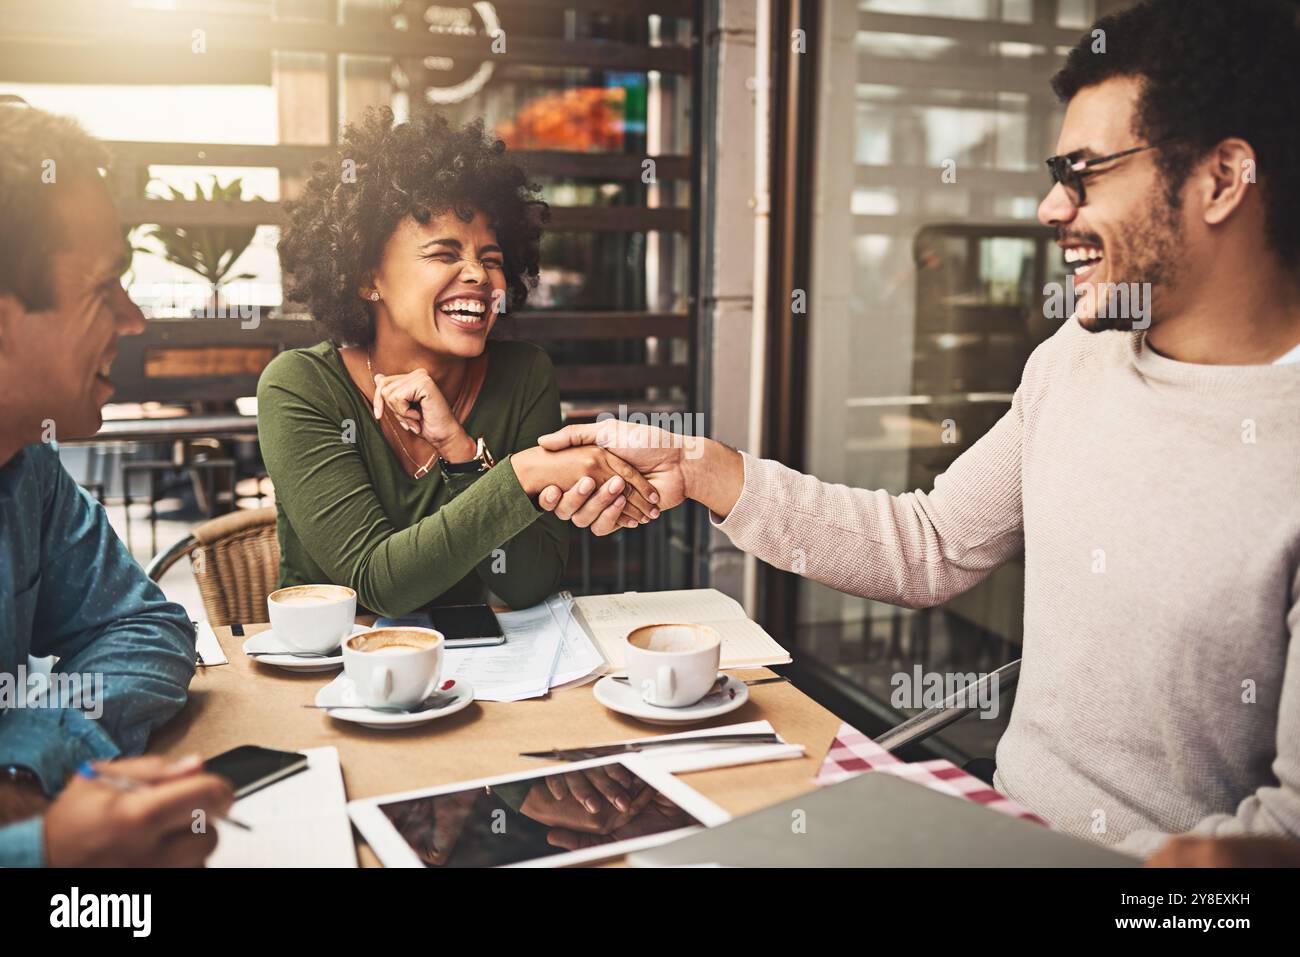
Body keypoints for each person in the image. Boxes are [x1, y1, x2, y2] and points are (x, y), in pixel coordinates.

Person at [536, 0, 1300, 858]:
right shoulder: (1072, 363)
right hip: (991, 833)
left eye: (1085, 171)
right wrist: (704, 466)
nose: (1051, 207)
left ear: (1225, 177)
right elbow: (930, 543)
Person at [260, 109, 659, 618]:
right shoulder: (302, 386)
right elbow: (377, 585)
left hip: (469, 674)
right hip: (329, 676)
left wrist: (464, 454)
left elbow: (528, 584)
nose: (477, 274)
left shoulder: (523, 376)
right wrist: (522, 473)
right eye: (443, 254)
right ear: (366, 277)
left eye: (491, 258)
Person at [0, 100, 232, 865]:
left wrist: (25, 754)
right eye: (104, 288)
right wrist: (44, 850)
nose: (132, 319)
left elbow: (146, 629)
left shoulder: (26, 466)